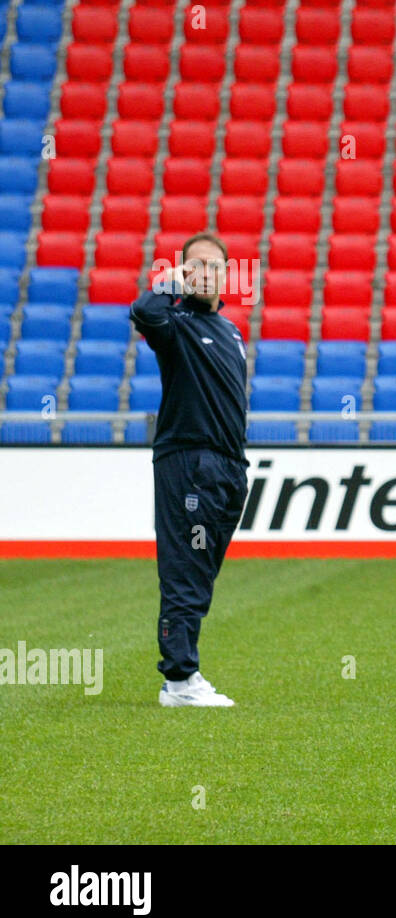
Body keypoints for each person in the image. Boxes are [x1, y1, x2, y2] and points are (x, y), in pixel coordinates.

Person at [129, 232, 249, 707]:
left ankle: (184, 672)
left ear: (226, 275)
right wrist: (169, 282)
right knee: (184, 567)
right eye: (194, 266)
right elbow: (143, 312)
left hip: (227, 465)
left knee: (201, 570)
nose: (205, 273)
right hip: (188, 461)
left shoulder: (232, 332)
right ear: (182, 272)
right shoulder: (174, 321)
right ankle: (179, 678)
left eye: (214, 266)